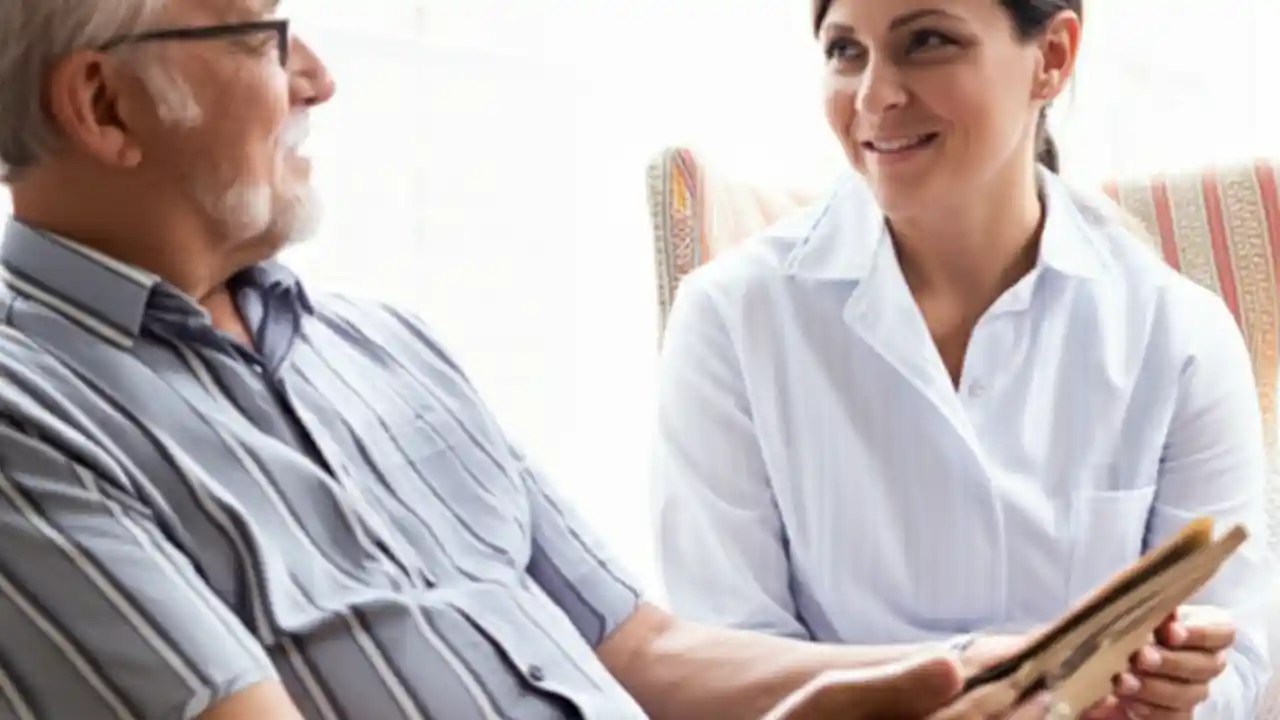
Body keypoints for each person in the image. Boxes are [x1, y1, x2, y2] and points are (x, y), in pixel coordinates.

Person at [0, 0, 1066, 718]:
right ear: (103, 105)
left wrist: (973, 672)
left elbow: (640, 651)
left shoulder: (385, 346)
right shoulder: (27, 413)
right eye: (263, 40)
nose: (316, 80)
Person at [652, 0, 1272, 718]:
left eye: (928, 42)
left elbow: (1238, 657)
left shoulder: (1180, 336)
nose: (874, 95)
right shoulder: (729, 322)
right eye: (846, 51)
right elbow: (725, 654)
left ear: (1054, 57)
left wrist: (1179, 688)